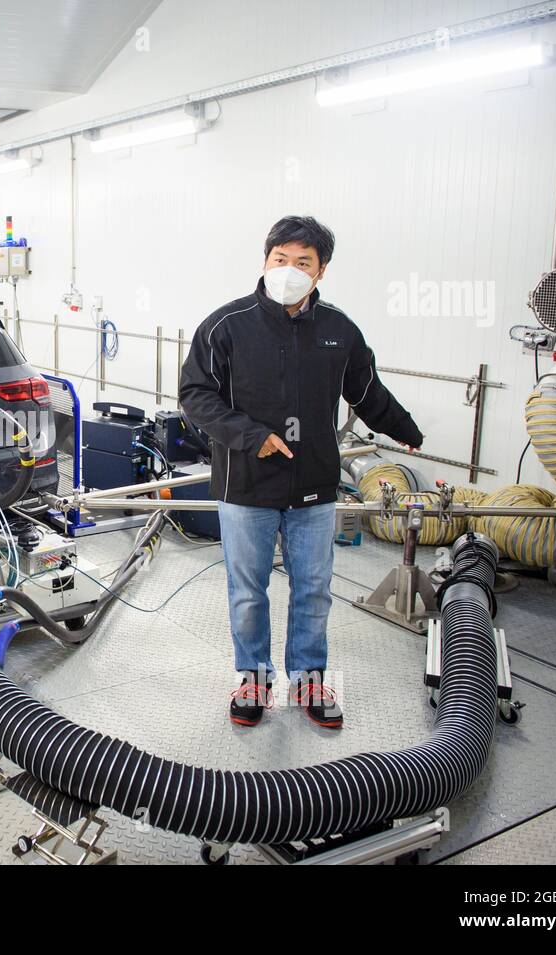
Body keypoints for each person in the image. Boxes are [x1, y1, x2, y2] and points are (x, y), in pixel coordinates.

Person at [178, 215, 423, 730]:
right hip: (245, 485)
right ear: (265, 261)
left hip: (313, 483)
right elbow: (195, 396)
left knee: (313, 588)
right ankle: (254, 678)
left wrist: (404, 429)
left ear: (322, 271)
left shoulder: (338, 330)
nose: (289, 270)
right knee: (249, 591)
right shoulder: (227, 326)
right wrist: (250, 435)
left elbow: (366, 391)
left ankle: (309, 679)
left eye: (302, 262)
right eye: (280, 259)